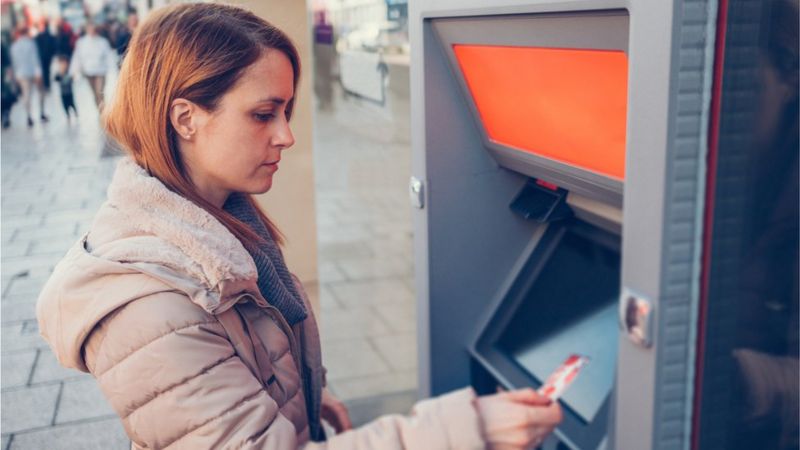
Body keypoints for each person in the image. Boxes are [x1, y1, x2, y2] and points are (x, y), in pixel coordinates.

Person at [36, 4, 562, 449]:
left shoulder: (222, 225)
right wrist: (467, 432)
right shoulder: (152, 306)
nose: (286, 135)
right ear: (186, 118)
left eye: (286, 111)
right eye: (264, 114)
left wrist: (299, 395)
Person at [69, 22, 113, 111]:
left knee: (99, 92)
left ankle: (104, 112)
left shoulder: (102, 42)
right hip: (88, 72)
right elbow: (77, 57)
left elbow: (109, 56)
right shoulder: (81, 43)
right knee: (95, 94)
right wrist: (73, 71)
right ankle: (100, 110)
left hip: (100, 71)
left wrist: (112, 69)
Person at [9, 27, 47, 126]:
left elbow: (14, 63)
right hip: (33, 72)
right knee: (41, 92)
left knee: (26, 95)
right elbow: (35, 58)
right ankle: (41, 112)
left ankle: (29, 116)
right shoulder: (31, 44)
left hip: (21, 74)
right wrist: (38, 73)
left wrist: (16, 76)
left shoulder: (14, 47)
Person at [34, 21, 57, 92]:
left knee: (47, 71)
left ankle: (47, 85)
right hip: (41, 57)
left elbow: (53, 46)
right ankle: (45, 85)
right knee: (44, 72)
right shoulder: (37, 38)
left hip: (48, 57)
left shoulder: (49, 36)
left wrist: (52, 54)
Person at [53, 55, 77, 123]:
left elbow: (72, 79)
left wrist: (72, 77)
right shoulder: (59, 74)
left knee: (72, 104)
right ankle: (68, 115)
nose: (62, 66)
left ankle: (75, 112)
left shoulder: (69, 73)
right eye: (61, 64)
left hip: (69, 93)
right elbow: (55, 79)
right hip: (63, 94)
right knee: (65, 105)